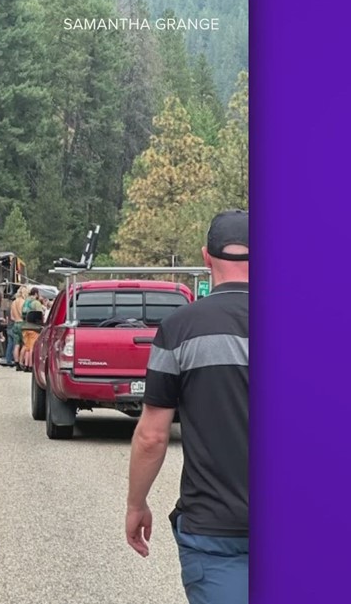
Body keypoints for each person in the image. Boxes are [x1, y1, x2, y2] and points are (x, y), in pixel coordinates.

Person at [125, 210, 249, 604]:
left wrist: (136, 504)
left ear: (206, 257)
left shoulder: (180, 329)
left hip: (213, 529)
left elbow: (152, 436)